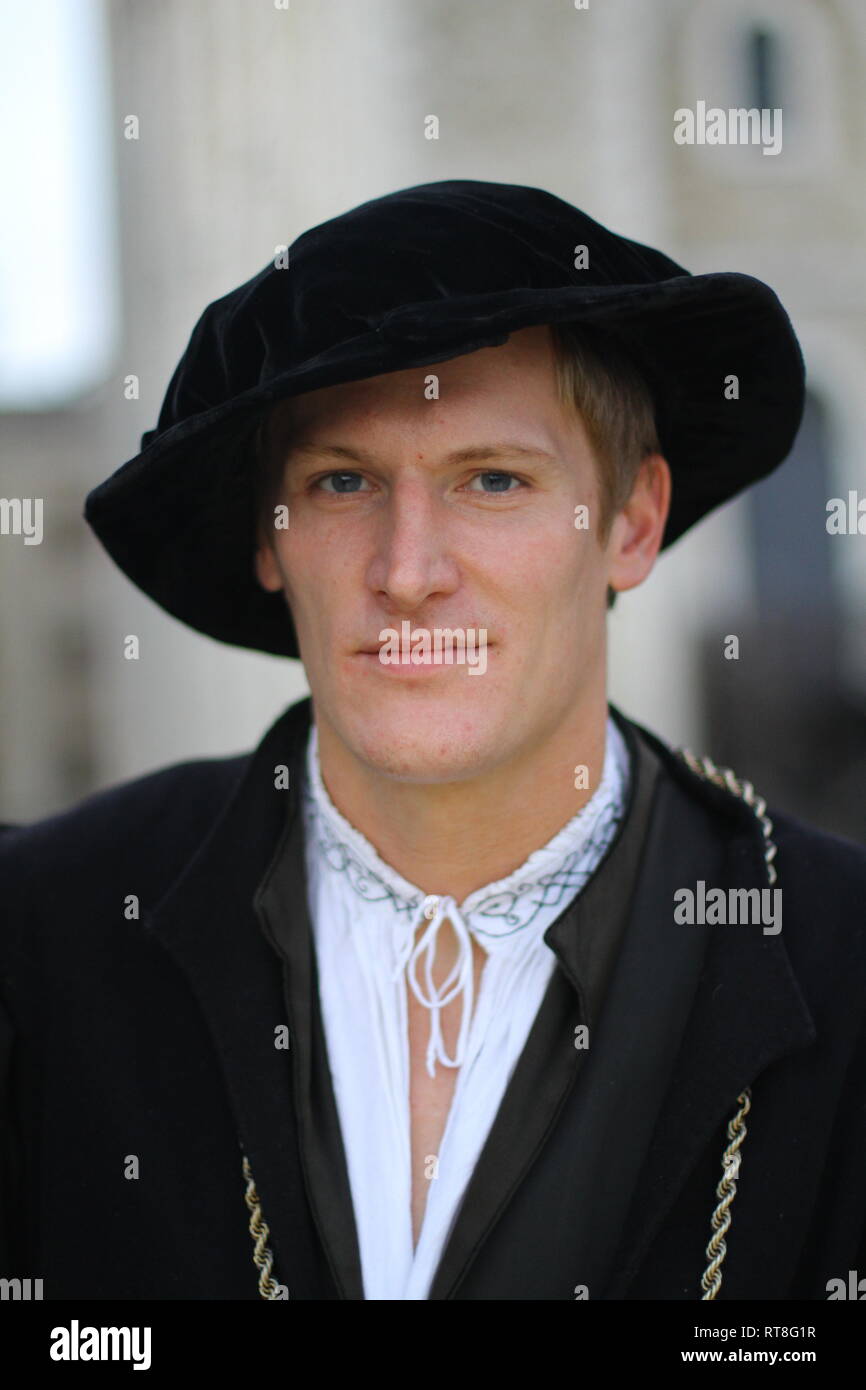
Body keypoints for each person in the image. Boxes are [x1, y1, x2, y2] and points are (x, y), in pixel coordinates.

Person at [1, 180, 864, 1302]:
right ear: (271, 537)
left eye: (491, 480)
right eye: (342, 482)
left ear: (630, 522)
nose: (406, 570)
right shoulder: (38, 935)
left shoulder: (840, 960)